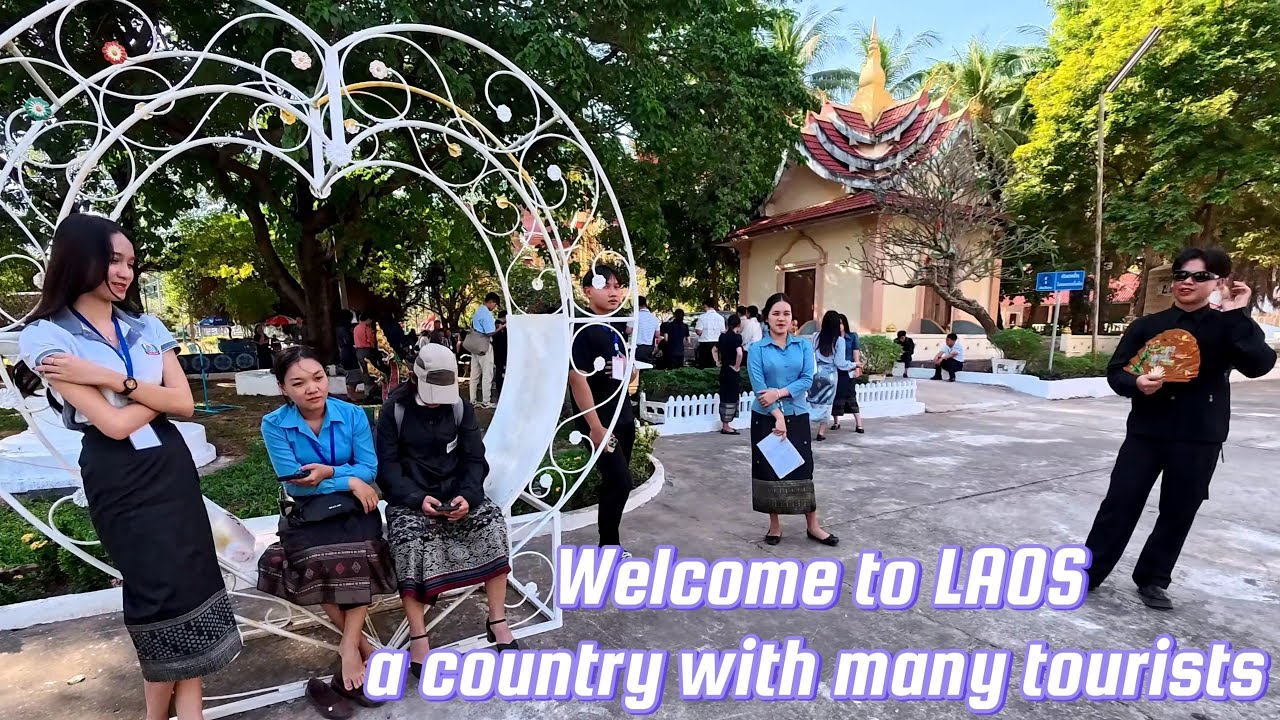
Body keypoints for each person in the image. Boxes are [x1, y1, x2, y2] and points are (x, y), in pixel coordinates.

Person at [18, 213, 241, 720]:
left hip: (169, 465)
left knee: (192, 583)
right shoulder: (45, 336)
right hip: (118, 473)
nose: (125, 273)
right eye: (114, 259)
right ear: (81, 259)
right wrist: (155, 396)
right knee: (155, 594)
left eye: (131, 263)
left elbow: (185, 404)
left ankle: (183, 711)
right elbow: (113, 427)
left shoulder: (146, 326)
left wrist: (105, 377)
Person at [1082, 247, 1276, 610]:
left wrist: (1239, 314)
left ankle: (1153, 579)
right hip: (1146, 431)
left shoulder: (1228, 327)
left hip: (1199, 433)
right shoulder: (1147, 326)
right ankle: (1088, 572)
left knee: (1178, 509)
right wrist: (1136, 384)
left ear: (1218, 281)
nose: (1187, 282)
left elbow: (1259, 364)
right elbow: (1117, 372)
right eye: (1181, 275)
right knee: (1120, 502)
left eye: (1199, 276)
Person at [257, 346, 396, 708]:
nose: (312, 388)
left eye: (318, 378)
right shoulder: (274, 424)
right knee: (316, 564)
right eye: (299, 383)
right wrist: (348, 480)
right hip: (309, 512)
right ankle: (362, 646)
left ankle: (349, 647)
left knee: (361, 555)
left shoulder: (351, 415)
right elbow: (293, 481)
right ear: (283, 388)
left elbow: (369, 468)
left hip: (355, 509)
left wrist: (333, 474)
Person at [376, 343, 518, 678]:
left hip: (456, 495)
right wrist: (415, 498)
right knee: (409, 543)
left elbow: (474, 459)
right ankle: (419, 636)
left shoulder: (460, 408)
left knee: (493, 526)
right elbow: (387, 468)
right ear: (414, 377)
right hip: (411, 498)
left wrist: (468, 496)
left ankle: (497, 619)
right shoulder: (393, 410)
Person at [747, 293, 838, 547]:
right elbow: (759, 387)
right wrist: (777, 414)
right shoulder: (757, 349)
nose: (781, 318)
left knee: (802, 468)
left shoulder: (803, 346)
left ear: (792, 319)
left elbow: (807, 379)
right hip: (766, 418)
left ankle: (813, 526)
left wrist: (780, 392)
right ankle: (774, 526)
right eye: (776, 313)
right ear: (767, 317)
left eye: (786, 314)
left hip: (798, 414)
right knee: (770, 470)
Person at [568, 265, 637, 554]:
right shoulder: (582, 328)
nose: (614, 292)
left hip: (622, 415)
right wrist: (594, 427)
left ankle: (608, 546)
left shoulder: (616, 325)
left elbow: (627, 372)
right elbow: (576, 378)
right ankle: (609, 546)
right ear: (587, 292)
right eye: (606, 286)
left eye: (617, 286)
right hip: (599, 420)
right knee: (620, 482)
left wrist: (627, 369)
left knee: (615, 483)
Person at [810, 311, 853, 442]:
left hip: (816, 374)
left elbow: (811, 354)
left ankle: (807, 423)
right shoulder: (840, 341)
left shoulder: (815, 336)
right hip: (830, 377)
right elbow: (840, 363)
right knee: (827, 404)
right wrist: (854, 364)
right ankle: (821, 432)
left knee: (812, 402)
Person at [832, 314, 864, 433]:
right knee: (835, 396)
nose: (839, 326)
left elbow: (856, 354)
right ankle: (836, 422)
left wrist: (857, 368)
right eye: (837, 323)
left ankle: (859, 424)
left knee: (851, 396)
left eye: (841, 323)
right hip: (836, 371)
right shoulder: (833, 338)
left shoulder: (852, 337)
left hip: (849, 371)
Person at [467, 292, 500, 408]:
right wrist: (500, 327)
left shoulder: (478, 312)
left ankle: (473, 400)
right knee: (487, 373)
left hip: (474, 346)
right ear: (491, 302)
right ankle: (486, 401)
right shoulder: (486, 314)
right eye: (495, 305)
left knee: (474, 374)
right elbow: (489, 332)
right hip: (484, 346)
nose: (494, 307)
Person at [713, 314, 744, 435]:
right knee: (731, 397)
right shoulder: (737, 338)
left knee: (724, 396)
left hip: (724, 370)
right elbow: (739, 353)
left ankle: (724, 423)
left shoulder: (723, 336)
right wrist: (736, 366)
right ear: (738, 325)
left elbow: (714, 349)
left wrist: (717, 361)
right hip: (732, 371)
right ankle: (726, 425)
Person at [694, 299, 726, 369]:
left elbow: (699, 332)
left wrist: (696, 331)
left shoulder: (702, 317)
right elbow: (723, 332)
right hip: (717, 344)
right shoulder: (721, 318)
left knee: (704, 366)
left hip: (704, 344)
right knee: (715, 364)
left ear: (705, 306)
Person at [633, 296, 661, 364]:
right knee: (646, 367)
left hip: (637, 346)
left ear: (637, 305)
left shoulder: (635, 316)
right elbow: (657, 335)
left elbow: (628, 331)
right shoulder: (654, 318)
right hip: (649, 347)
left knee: (637, 367)